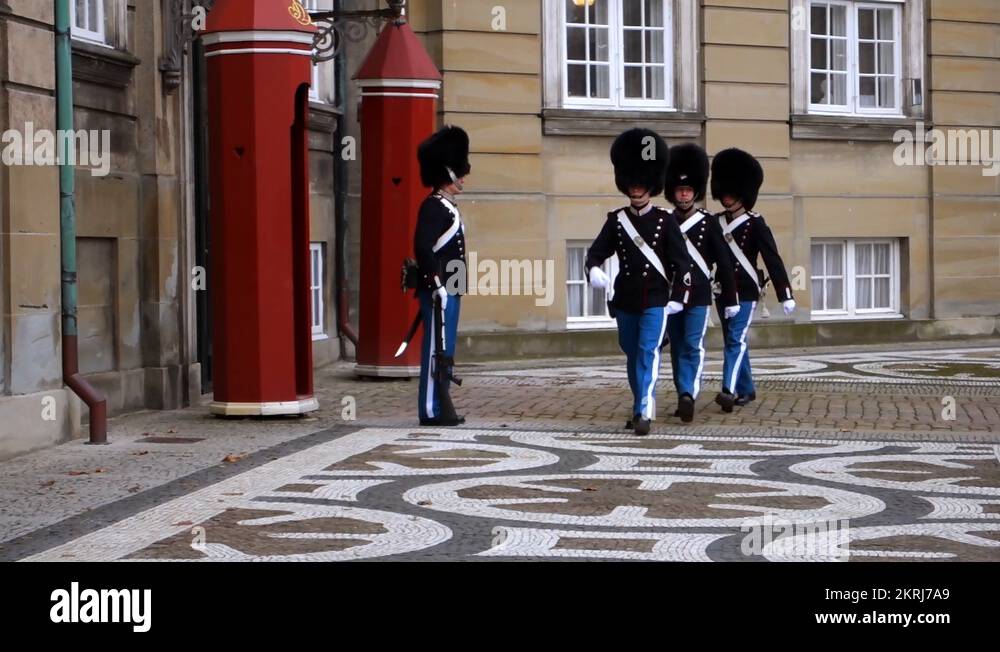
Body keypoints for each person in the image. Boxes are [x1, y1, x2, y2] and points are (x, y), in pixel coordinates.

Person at [586, 128, 692, 436]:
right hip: (626, 299)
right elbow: (597, 251)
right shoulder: (616, 220)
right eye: (632, 183)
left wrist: (679, 296)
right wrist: (592, 268)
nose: (636, 189)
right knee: (632, 353)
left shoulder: (665, 220)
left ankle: (644, 410)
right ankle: (640, 402)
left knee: (649, 351)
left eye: (641, 184)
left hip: (657, 299)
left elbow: (681, 261)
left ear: (651, 186)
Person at [710, 148, 795, 412]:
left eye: (732, 193)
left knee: (735, 339)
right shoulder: (715, 223)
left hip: (746, 290)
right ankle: (747, 389)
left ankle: (728, 389)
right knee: (735, 340)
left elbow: (772, 259)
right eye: (724, 192)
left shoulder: (756, 224)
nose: (727, 198)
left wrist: (786, 294)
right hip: (722, 291)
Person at [663, 143, 739, 422]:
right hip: (672, 295)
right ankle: (682, 388)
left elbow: (725, 263)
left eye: (688, 190)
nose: (683, 194)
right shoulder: (665, 221)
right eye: (679, 190)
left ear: (695, 192)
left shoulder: (707, 223)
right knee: (678, 346)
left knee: (693, 344)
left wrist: (730, 299)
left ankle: (688, 394)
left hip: (698, 293)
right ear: (673, 192)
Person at [414, 125, 470, 426]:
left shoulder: (447, 206)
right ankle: (431, 408)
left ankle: (441, 403)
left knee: (445, 350)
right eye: (459, 172)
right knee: (435, 350)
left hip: (451, 287)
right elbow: (423, 247)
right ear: (447, 172)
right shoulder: (434, 207)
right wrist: (436, 284)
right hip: (440, 289)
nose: (463, 178)